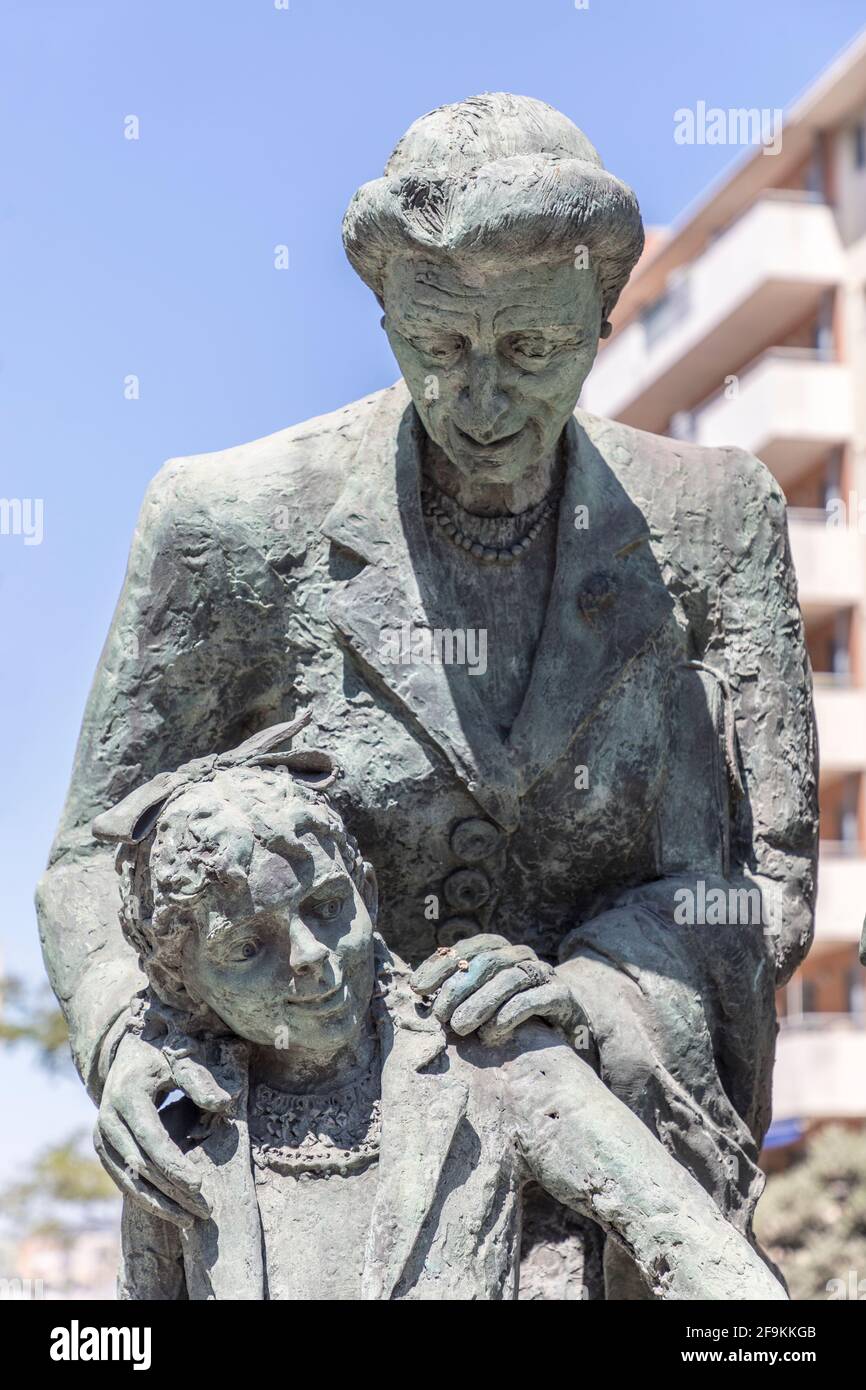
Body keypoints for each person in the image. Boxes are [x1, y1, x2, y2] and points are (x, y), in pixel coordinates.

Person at [38, 94, 817, 1294]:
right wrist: (122, 1038)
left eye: (532, 350)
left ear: (600, 320)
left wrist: (594, 991)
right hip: (317, 1178)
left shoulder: (711, 521)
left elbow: (765, 877)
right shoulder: (228, 522)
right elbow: (96, 853)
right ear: (386, 315)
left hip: (611, 1164)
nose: (483, 400)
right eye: (438, 347)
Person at [98, 724, 786, 1301]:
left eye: (328, 906)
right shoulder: (177, 1135)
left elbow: (696, 1252)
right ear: (183, 981)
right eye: (247, 947)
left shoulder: (497, 1064)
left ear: (368, 891)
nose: (309, 955)